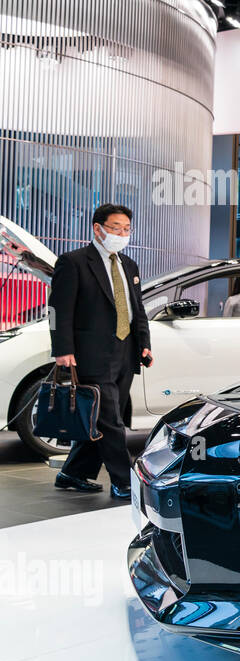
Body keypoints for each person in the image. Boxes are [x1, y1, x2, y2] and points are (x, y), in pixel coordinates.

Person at [48, 204, 153, 499]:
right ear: (98, 228)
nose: (122, 234)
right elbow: (58, 310)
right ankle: (124, 481)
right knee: (110, 420)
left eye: (127, 229)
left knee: (102, 416)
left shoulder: (129, 265)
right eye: (116, 228)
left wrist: (144, 343)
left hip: (125, 350)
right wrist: (62, 349)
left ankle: (73, 472)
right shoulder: (74, 262)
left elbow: (137, 309)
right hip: (91, 353)